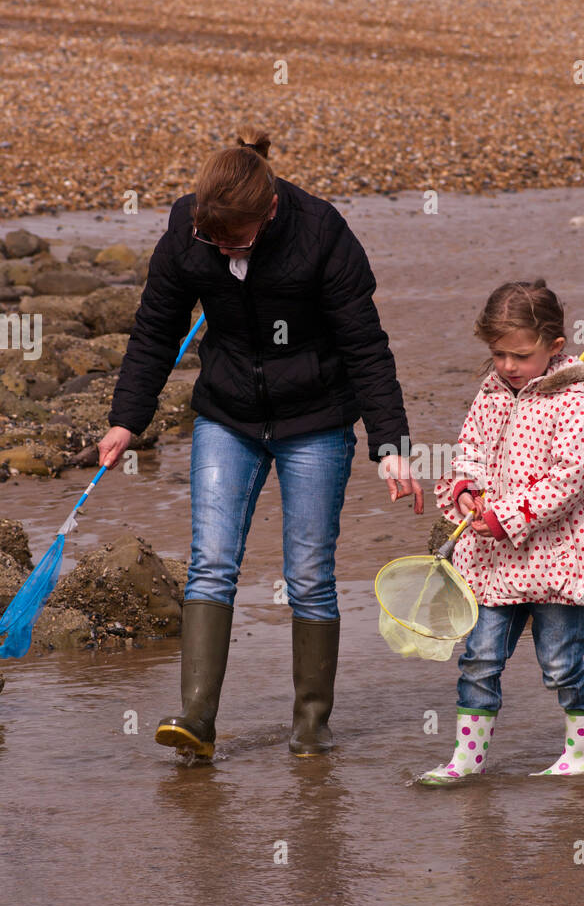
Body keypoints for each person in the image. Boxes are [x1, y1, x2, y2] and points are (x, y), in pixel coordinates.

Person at [98, 127, 422, 761]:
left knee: (307, 575)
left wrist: (390, 445)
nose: (221, 249)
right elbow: (155, 330)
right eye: (210, 238)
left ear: (269, 210)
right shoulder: (188, 230)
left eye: (234, 239)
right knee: (211, 562)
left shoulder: (322, 234)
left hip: (317, 422)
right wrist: (126, 420)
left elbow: (365, 346)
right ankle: (195, 719)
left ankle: (310, 726)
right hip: (227, 417)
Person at [418, 280, 584, 785]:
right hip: (493, 563)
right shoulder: (489, 392)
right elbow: (469, 450)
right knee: (479, 659)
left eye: (520, 355)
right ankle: (466, 758)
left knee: (560, 663)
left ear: (554, 346)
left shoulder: (575, 397)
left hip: (557, 555)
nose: (507, 365)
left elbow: (572, 476)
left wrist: (507, 515)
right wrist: (464, 488)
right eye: (497, 354)